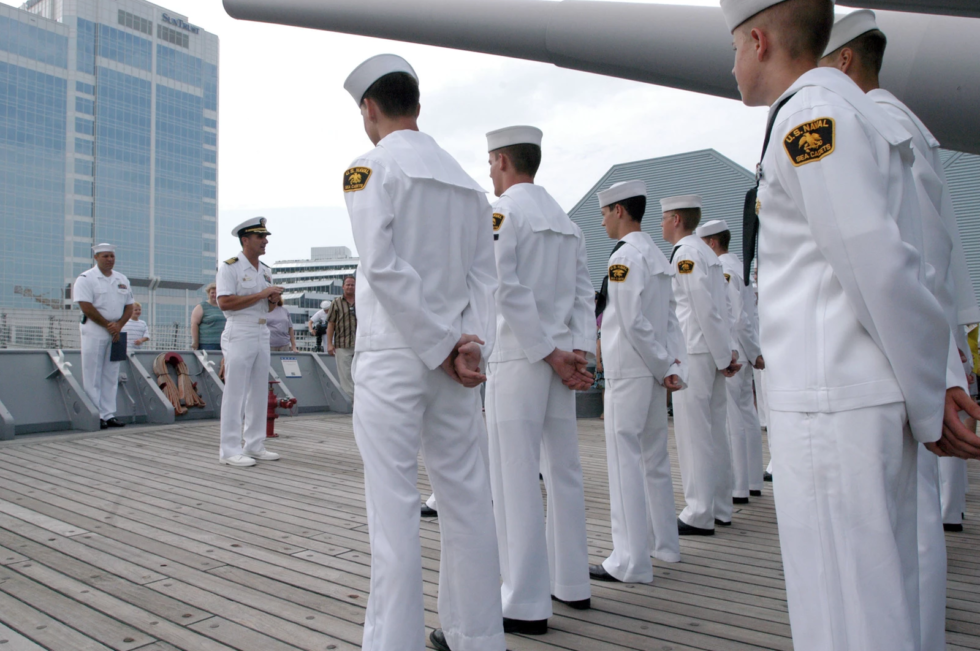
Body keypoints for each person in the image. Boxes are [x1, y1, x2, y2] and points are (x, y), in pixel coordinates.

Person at [721, 0, 980, 648]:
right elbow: (924, 257)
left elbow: (876, 260)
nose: (731, 65)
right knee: (878, 604)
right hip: (860, 399)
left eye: (732, 49)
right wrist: (938, 377)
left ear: (758, 41)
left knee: (843, 615)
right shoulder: (863, 113)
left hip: (830, 410)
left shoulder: (811, 117)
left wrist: (932, 395)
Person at [818, 11, 980, 649]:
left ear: (846, 61)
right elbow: (947, 244)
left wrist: (929, 372)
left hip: (896, 345)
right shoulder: (909, 124)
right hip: (921, 338)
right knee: (909, 522)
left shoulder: (873, 124)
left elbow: (906, 253)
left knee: (903, 524)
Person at [341, 54, 502, 651]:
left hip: (395, 355)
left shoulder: (369, 168)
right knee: (466, 501)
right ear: (415, 104)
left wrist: (438, 345)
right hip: (458, 362)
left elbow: (380, 268)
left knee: (394, 511)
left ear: (369, 109)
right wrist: (467, 344)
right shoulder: (466, 180)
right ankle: (478, 636)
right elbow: (485, 280)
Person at [483, 125, 595, 634]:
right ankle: (572, 581)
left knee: (516, 477)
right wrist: (579, 354)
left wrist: (550, 354)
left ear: (504, 160)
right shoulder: (566, 222)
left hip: (519, 358)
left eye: (490, 162)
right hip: (559, 360)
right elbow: (581, 294)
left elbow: (506, 289)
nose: (489, 172)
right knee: (564, 469)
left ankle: (524, 599)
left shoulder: (506, 213)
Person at [588, 180, 685, 584]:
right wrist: (670, 364)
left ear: (620, 211)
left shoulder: (625, 257)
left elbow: (631, 321)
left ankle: (629, 560)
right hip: (652, 372)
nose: (603, 220)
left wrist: (662, 363)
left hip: (630, 371)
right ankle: (665, 545)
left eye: (606, 212)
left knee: (623, 460)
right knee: (654, 461)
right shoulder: (658, 256)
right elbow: (670, 321)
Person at [662, 195, 740, 535]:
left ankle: (698, 511)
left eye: (664, 217)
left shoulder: (686, 254)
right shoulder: (706, 253)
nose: (661, 223)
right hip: (709, 349)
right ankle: (720, 505)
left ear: (676, 219)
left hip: (694, 350)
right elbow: (722, 309)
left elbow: (704, 308)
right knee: (714, 432)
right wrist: (728, 352)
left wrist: (725, 356)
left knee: (695, 435)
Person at [697, 220, 766, 502]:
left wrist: (742, 351)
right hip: (745, 350)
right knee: (747, 415)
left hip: (734, 351)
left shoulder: (723, 270)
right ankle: (752, 480)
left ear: (712, 243)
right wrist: (754, 351)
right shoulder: (739, 267)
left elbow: (736, 318)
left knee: (733, 419)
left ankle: (738, 486)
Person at [216, 216, 282, 468]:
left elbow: (266, 305)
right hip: (240, 330)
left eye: (265, 237)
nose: (265, 241)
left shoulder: (264, 270)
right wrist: (262, 294)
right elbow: (224, 302)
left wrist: (272, 298)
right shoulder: (230, 267)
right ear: (246, 240)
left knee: (258, 390)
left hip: (261, 330)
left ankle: (254, 444)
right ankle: (229, 449)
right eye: (260, 237)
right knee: (235, 391)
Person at [73, 243, 134, 430]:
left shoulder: (121, 279)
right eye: (105, 256)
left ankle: (109, 414)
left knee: (111, 372)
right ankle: (96, 414)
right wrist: (108, 326)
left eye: (112, 256)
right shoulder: (86, 278)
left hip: (117, 330)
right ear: (96, 258)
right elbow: (86, 306)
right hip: (95, 329)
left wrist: (119, 325)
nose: (109, 259)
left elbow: (130, 305)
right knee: (93, 373)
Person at [326, 276, 357, 399]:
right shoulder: (336, 303)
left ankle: (362, 402)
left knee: (361, 374)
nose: (350, 287)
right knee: (346, 376)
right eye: (348, 284)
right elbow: (331, 324)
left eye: (352, 285)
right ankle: (355, 401)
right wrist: (329, 343)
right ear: (343, 286)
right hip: (342, 345)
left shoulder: (362, 301)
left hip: (360, 345)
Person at [191, 283, 226, 351]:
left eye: (217, 293)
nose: (214, 295)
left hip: (224, 343)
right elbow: (194, 324)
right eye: (212, 293)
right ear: (208, 294)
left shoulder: (225, 306)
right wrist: (195, 342)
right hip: (207, 344)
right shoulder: (201, 306)